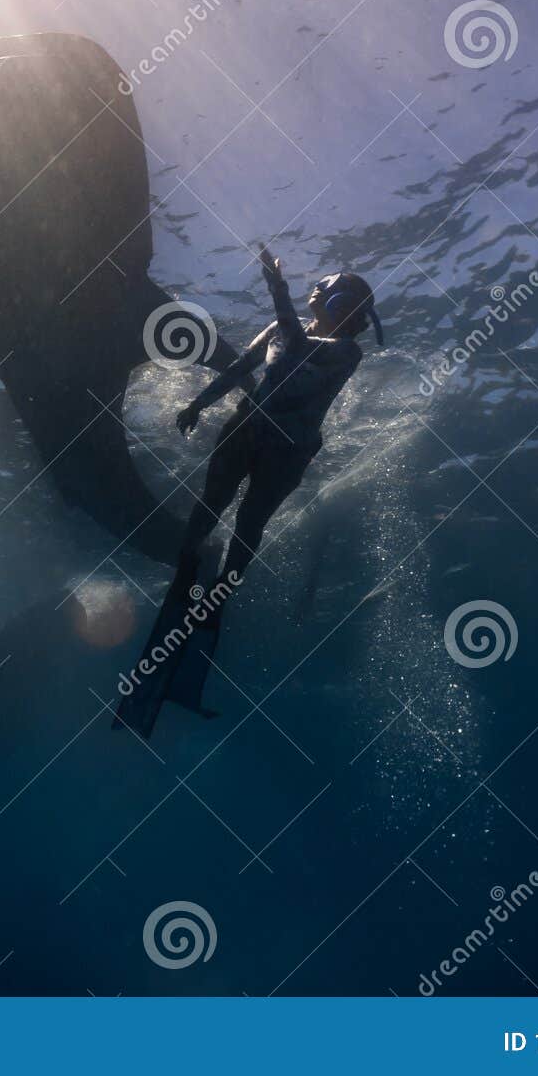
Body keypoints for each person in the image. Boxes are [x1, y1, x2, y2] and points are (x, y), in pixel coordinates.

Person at [113, 248, 383, 738]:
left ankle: (219, 596)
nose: (316, 289)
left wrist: (277, 290)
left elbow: (303, 353)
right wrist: (198, 402)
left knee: (249, 523)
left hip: (289, 449)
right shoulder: (283, 326)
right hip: (245, 429)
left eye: (327, 287)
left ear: (345, 304)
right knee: (207, 509)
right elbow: (240, 369)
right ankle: (189, 570)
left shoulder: (347, 351)